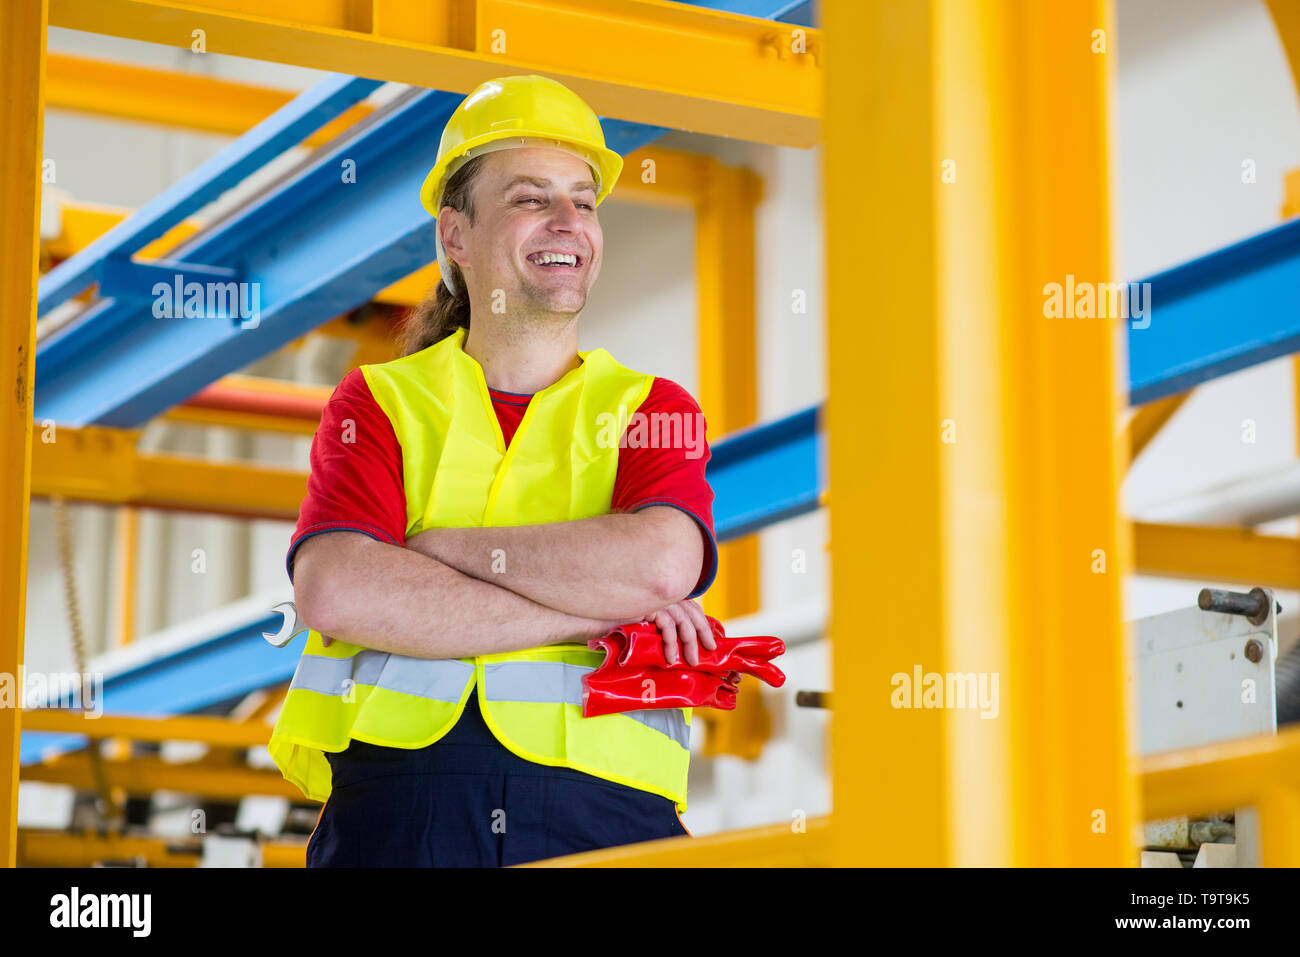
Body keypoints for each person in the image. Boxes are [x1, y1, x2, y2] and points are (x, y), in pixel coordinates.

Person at [267, 75, 721, 866]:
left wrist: (437, 550)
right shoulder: (378, 400)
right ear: (455, 236)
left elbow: (660, 568)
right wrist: (596, 615)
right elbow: (338, 589)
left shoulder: (654, 405)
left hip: (607, 821)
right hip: (397, 818)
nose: (568, 221)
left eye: (583, 199)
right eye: (530, 198)